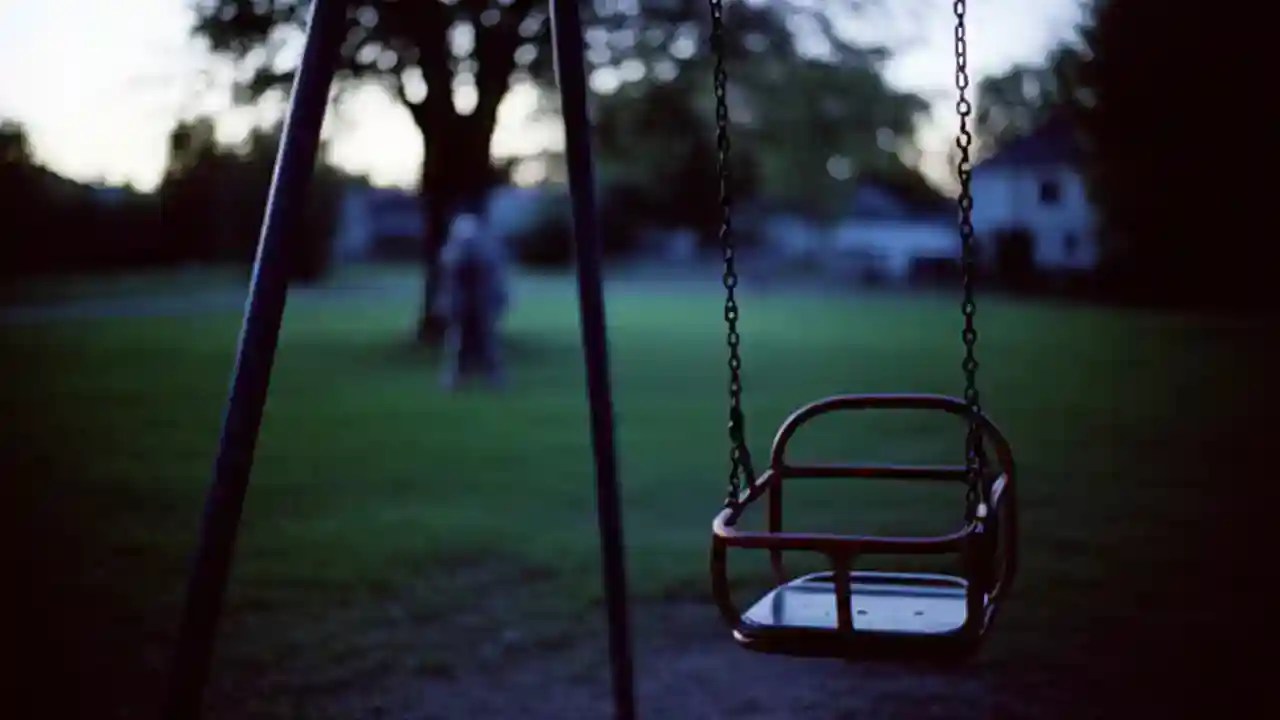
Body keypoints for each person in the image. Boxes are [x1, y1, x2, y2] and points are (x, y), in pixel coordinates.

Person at [437, 196, 509, 389]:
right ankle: (464, 376)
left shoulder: (471, 232)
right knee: (465, 338)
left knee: (482, 338)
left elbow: (454, 263)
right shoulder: (479, 233)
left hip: (479, 297)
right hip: (468, 297)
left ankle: (487, 376)